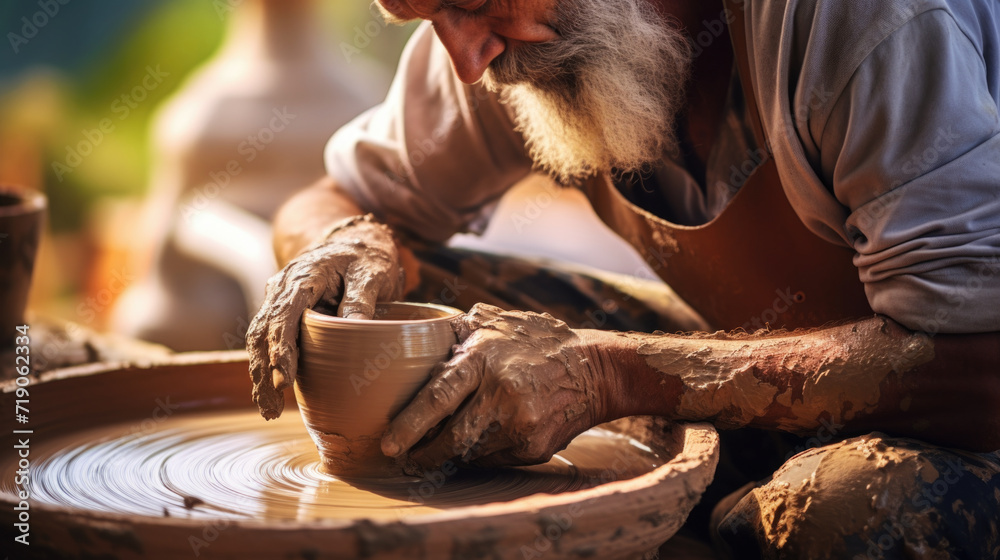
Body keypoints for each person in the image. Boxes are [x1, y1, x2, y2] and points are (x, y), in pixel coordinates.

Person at [246, 0, 1000, 556]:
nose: (467, 61)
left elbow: (982, 370)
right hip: (776, 375)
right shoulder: (499, 38)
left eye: (472, 7)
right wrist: (345, 241)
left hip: (968, 417)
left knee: (841, 514)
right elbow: (335, 200)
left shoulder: (866, 21)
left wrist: (611, 375)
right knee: (398, 311)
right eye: (424, 15)